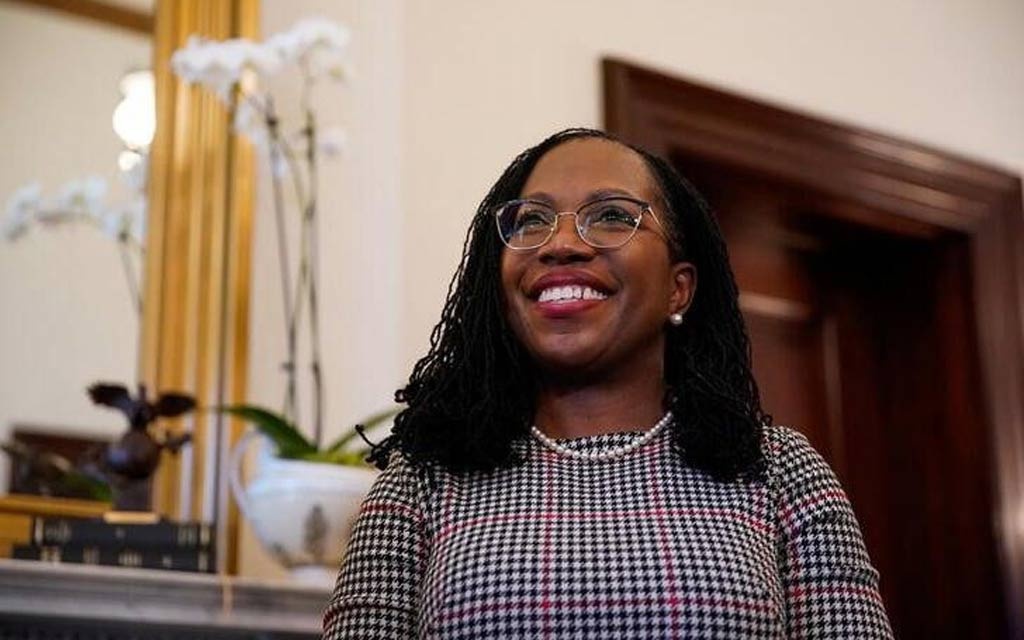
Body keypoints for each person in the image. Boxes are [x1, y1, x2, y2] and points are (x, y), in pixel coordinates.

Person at [322, 128, 893, 638]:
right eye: (531, 221)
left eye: (612, 216)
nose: (560, 243)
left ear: (679, 288)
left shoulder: (780, 471)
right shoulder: (422, 480)